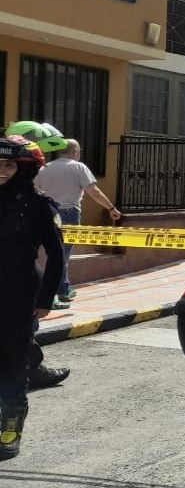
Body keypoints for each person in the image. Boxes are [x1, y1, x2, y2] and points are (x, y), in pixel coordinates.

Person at [0, 136, 65, 460]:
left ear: (21, 169)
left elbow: (56, 254)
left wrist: (46, 298)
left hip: (19, 292)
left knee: (13, 361)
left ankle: (10, 429)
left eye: (9, 165)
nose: (1, 171)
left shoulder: (38, 205)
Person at [32, 136, 121, 308]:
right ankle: (56, 293)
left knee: (55, 254)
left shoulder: (45, 168)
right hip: (68, 214)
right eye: (79, 151)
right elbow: (94, 192)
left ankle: (64, 289)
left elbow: (35, 190)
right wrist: (111, 208)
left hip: (45, 214)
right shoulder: (78, 167)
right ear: (74, 152)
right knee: (62, 256)